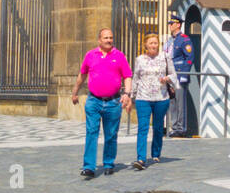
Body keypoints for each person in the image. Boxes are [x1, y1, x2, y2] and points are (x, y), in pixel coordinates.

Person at [71, 28, 132, 178]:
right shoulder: (90, 55)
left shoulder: (119, 56)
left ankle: (109, 163)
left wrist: (127, 94)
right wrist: (75, 92)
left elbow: (128, 76)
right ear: (99, 40)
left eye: (111, 37)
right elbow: (82, 75)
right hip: (94, 101)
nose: (109, 40)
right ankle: (89, 167)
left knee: (111, 134)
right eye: (106, 38)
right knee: (92, 132)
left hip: (113, 102)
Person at [129, 34, 175, 170]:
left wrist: (167, 78)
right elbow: (135, 77)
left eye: (155, 43)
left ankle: (156, 153)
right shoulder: (139, 59)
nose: (154, 45)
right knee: (143, 128)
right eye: (151, 43)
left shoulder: (165, 57)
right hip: (143, 98)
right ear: (145, 45)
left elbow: (174, 75)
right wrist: (132, 96)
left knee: (158, 127)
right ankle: (141, 158)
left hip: (161, 98)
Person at [166, 14, 193, 137]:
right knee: (172, 101)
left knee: (180, 102)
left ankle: (181, 128)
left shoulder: (184, 39)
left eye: (172, 24)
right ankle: (174, 126)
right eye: (169, 24)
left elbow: (189, 57)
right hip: (170, 74)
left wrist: (184, 74)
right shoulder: (170, 40)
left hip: (180, 73)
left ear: (178, 24)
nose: (170, 26)